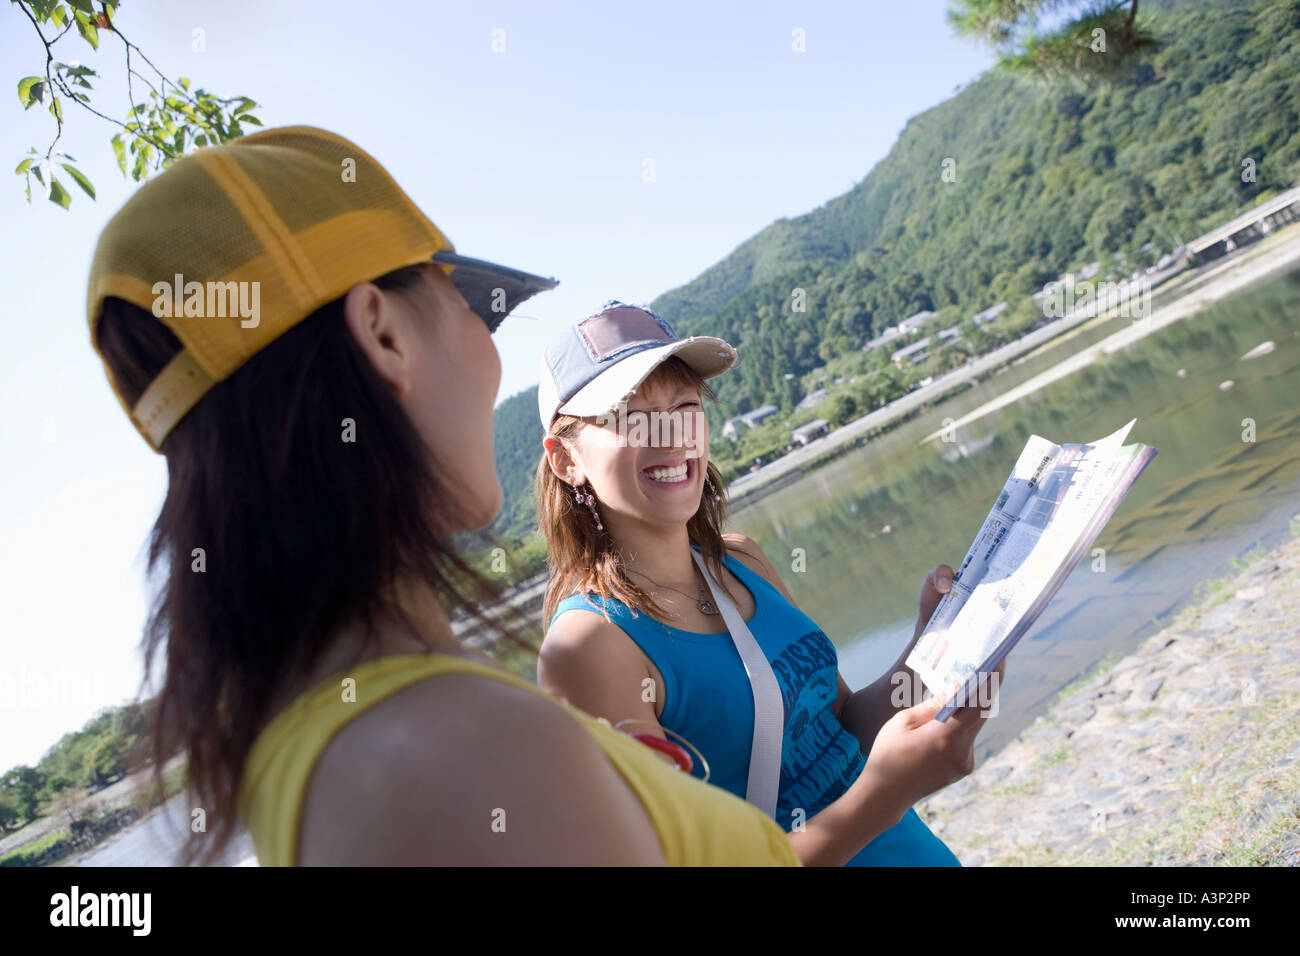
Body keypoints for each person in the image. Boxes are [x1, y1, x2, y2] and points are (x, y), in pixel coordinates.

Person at [86, 124, 825, 865]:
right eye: (470, 306)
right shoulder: (463, 754)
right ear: (383, 336)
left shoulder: (311, 751)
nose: (492, 359)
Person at [535, 301, 1003, 866]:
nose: (669, 436)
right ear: (566, 460)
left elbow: (839, 735)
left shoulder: (742, 561)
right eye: (630, 418)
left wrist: (931, 646)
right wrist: (890, 791)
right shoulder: (589, 647)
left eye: (684, 407)